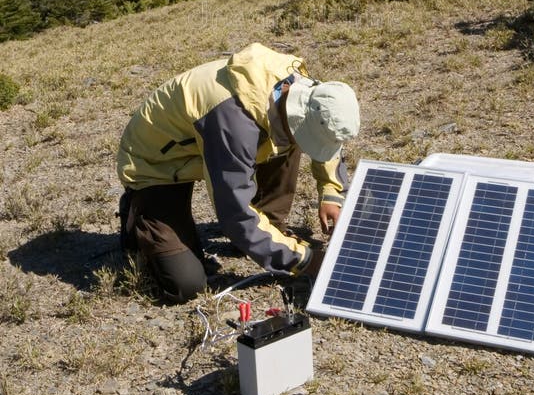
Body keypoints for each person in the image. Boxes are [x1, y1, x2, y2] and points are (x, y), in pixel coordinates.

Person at [116, 42, 360, 303]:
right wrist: (306, 261)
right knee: (186, 285)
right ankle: (138, 213)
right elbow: (234, 212)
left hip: (209, 140)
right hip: (156, 163)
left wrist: (332, 192)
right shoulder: (233, 121)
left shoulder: (307, 90)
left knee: (291, 139)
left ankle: (267, 230)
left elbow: (328, 133)